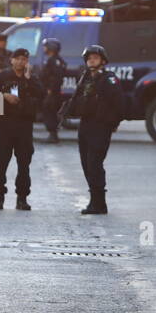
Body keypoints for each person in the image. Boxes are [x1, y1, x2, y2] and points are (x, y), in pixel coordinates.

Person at [64, 44, 123, 214]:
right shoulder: (86, 78)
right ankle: (94, 200)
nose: (91, 60)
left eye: (95, 58)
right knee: (86, 164)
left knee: (94, 164)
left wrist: (112, 124)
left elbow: (119, 104)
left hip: (100, 126)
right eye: (89, 58)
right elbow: (78, 99)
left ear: (103, 61)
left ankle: (99, 203)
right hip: (86, 125)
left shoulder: (108, 79)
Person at [0, 47, 44, 210]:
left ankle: (22, 197)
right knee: (1, 164)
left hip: (24, 127)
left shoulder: (31, 78)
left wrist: (28, 79)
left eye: (24, 59)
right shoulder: (2, 77)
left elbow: (41, 95)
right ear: (11, 60)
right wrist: (4, 96)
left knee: (24, 165)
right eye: (17, 58)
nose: (20, 62)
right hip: (4, 126)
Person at [40, 37, 67, 144]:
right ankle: (53, 134)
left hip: (52, 92)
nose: (44, 48)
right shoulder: (55, 60)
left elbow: (56, 77)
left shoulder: (54, 61)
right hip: (51, 92)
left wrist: (50, 90)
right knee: (50, 111)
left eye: (46, 46)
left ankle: (53, 135)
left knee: (49, 111)